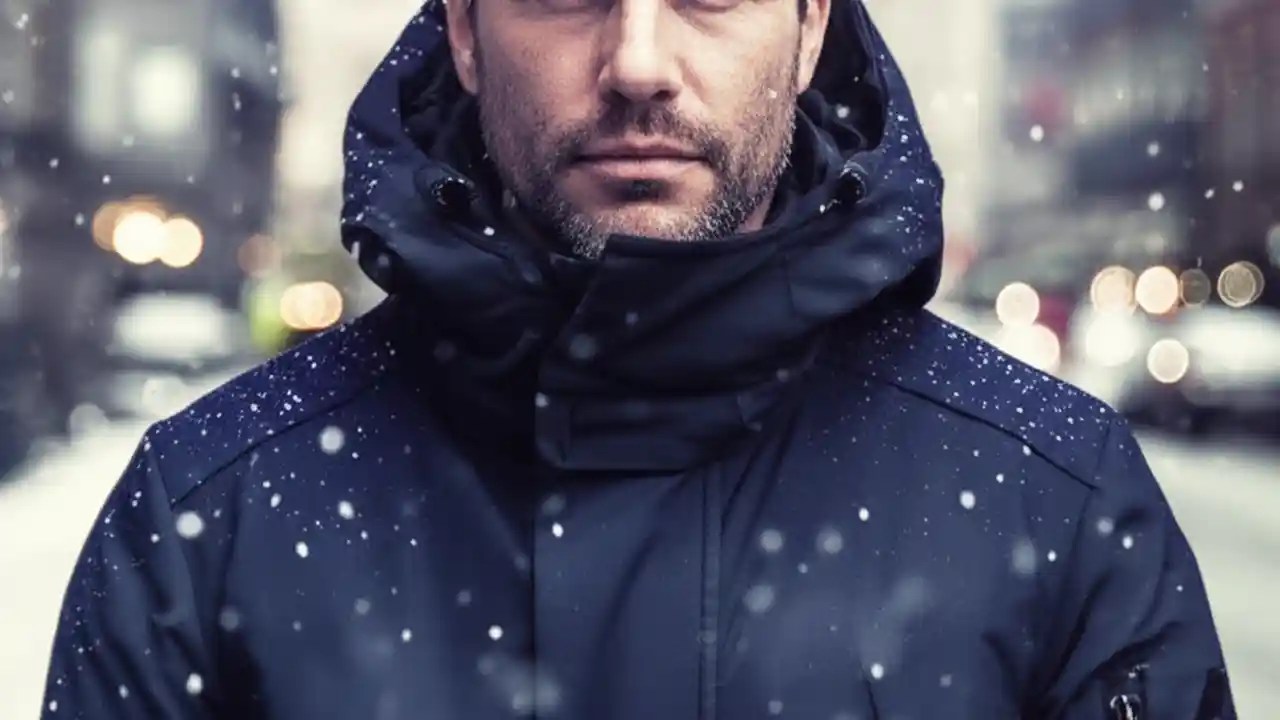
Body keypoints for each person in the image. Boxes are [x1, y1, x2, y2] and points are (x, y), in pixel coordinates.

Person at [43, 0, 1234, 717]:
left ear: (811, 24)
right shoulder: (215, 513)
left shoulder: (1053, 502)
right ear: (462, 29)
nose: (636, 62)